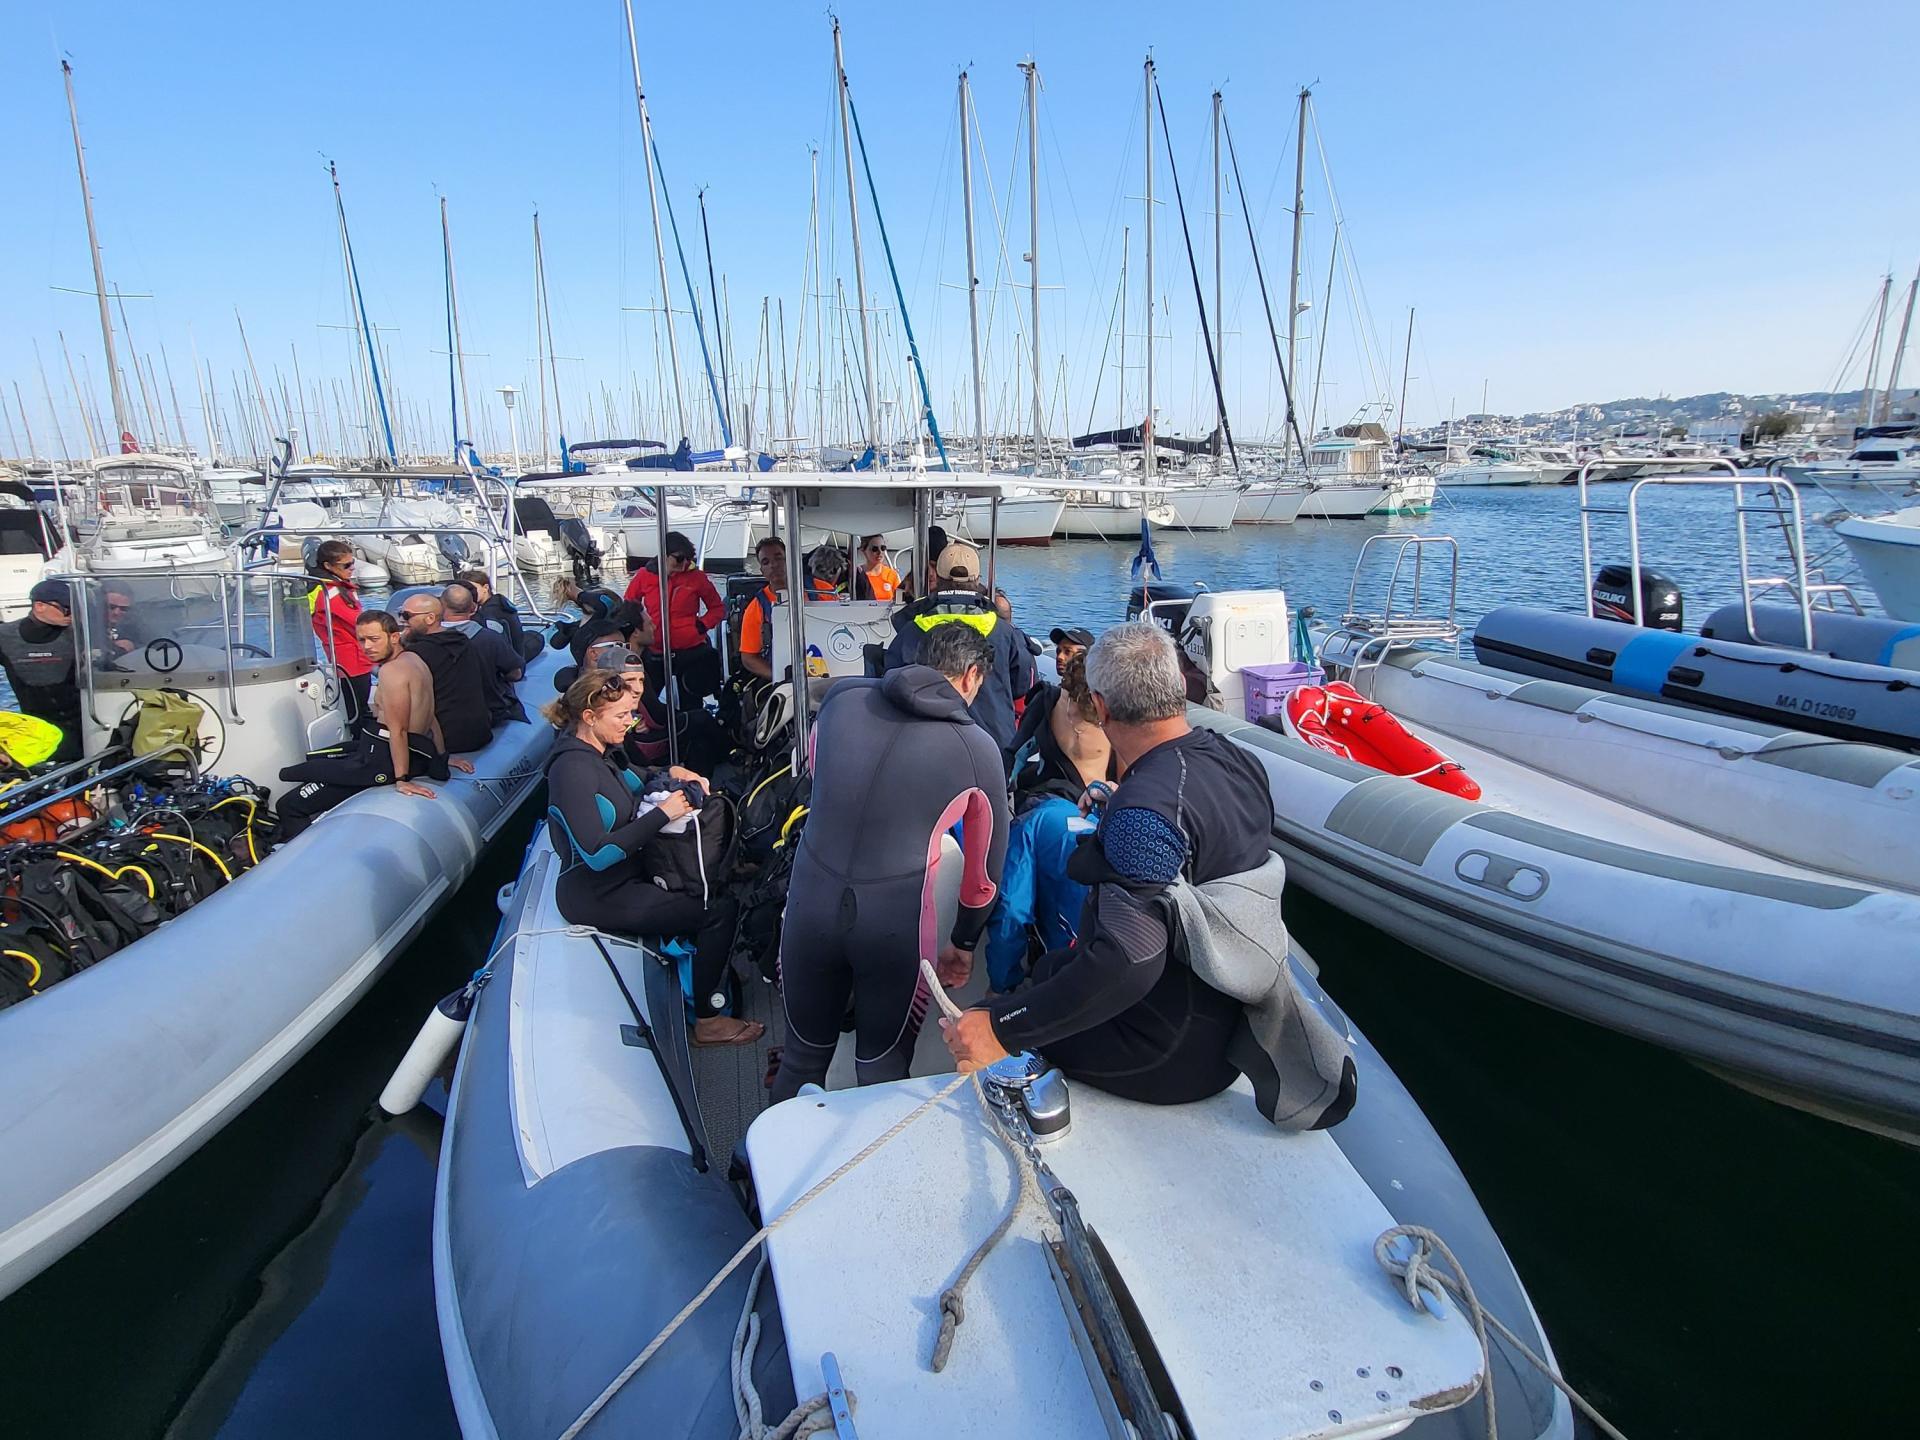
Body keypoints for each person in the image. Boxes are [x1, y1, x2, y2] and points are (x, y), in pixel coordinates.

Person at [942, 622, 1273, 1105]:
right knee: (1049, 971)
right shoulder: (1237, 761)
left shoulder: (1143, 815)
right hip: (1228, 1028)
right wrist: (1121, 804)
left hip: (1162, 1052)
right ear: (1179, 686)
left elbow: (1127, 962)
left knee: (986, 1022)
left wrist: (1001, 1029)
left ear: (1100, 707)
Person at [769, 623, 1010, 1102]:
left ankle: (756, 1166)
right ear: (972, 677)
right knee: (881, 1067)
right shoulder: (977, 749)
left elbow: (819, 774)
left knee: (801, 1057)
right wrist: (963, 943)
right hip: (895, 927)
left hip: (809, 907)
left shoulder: (841, 700)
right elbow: (982, 880)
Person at [542, 671, 763, 1047]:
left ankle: (703, 975)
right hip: (598, 892)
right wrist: (664, 814)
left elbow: (639, 777)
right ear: (589, 717)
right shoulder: (572, 769)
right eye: (622, 716)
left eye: (631, 714)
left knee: (714, 885)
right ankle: (708, 1022)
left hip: (631, 875)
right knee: (718, 911)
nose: (630, 723)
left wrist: (671, 772)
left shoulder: (604, 753)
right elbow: (597, 854)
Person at [275, 611, 474, 839]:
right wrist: (442, 756)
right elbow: (431, 717)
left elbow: (397, 731)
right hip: (385, 751)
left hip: (381, 762)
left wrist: (401, 780)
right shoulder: (416, 660)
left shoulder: (392, 671)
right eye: (361, 639)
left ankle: (308, 856)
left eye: (374, 639)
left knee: (287, 799)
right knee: (315, 758)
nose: (367, 646)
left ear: (394, 637)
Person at [882, 540, 1022, 757]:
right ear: (977, 580)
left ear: (936, 578)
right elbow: (1022, 686)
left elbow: (892, 680)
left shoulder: (912, 630)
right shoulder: (1005, 632)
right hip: (995, 750)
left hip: (928, 749)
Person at [625, 531, 724, 712]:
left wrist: (702, 625)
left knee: (691, 705)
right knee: (645, 704)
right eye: (679, 559)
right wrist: (638, 632)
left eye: (688, 559)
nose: (684, 564)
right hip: (655, 650)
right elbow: (629, 607)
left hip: (690, 650)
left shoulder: (697, 578)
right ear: (664, 555)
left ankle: (689, 737)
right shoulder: (644, 576)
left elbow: (717, 608)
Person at [396, 594, 494, 754]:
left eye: (406, 616)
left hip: (446, 739)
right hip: (478, 731)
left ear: (430, 618)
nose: (402, 621)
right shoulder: (462, 640)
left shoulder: (416, 654)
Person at [0, 579, 81, 762]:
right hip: (37, 729)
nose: (72, 614)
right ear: (39, 606)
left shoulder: (81, 635)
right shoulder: (5, 636)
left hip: (83, 727)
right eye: (67, 608)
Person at [1009, 625, 1096, 779]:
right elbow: (1019, 748)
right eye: (1058, 651)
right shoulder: (1047, 698)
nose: (1060, 657)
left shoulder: (1099, 703)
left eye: (1067, 652)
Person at [307, 540, 375, 733]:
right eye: (346, 565)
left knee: (359, 709)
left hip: (352, 658)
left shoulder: (337, 589)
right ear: (328, 566)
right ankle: (362, 750)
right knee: (358, 712)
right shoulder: (331, 593)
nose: (352, 568)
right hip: (350, 661)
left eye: (352, 563)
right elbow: (358, 622)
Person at [442, 582, 528, 727]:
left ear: (441, 607)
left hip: (446, 717)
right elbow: (516, 673)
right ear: (473, 608)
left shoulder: (425, 643)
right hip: (489, 712)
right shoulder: (490, 638)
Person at [457, 569, 538, 661]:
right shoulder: (500, 600)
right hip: (518, 653)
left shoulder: (488, 613)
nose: (469, 593)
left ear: (485, 588)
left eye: (472, 589)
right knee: (535, 636)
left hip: (510, 661)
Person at [856, 535, 898, 600]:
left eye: (883, 548)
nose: (880, 552)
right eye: (874, 549)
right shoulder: (857, 574)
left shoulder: (891, 574)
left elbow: (899, 601)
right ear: (864, 551)